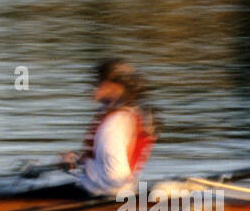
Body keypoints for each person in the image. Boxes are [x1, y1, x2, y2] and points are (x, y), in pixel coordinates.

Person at [23, 59, 158, 200]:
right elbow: (104, 160)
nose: (94, 86)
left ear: (115, 87)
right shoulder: (122, 115)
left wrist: (87, 170)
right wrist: (77, 160)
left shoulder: (115, 122)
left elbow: (117, 178)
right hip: (98, 189)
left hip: (103, 195)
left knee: (23, 198)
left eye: (99, 81)